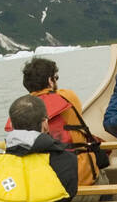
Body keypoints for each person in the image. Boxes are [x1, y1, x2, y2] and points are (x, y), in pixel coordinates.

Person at [15, 57, 107, 193]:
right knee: (104, 178)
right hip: (81, 191)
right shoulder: (68, 97)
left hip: (43, 192)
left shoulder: (21, 110)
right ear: (50, 81)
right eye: (55, 78)